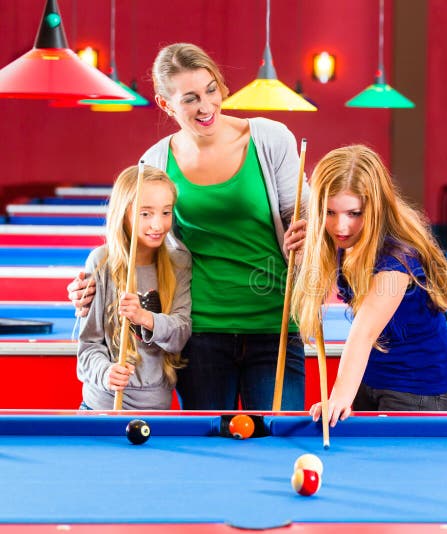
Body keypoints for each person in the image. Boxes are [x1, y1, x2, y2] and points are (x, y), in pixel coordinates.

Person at [68, 43, 308, 410]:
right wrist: (95, 282)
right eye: (191, 99)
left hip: (276, 324)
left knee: (279, 436)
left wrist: (310, 235)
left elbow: (307, 219)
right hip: (199, 331)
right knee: (209, 440)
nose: (206, 106)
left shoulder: (271, 139)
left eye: (211, 90)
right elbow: (135, 244)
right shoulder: (155, 161)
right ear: (166, 104)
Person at [292, 145, 447, 426]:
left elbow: (364, 333)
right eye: (330, 212)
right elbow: (312, 291)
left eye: (354, 213)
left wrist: (338, 397)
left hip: (416, 388)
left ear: (375, 207)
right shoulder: (345, 239)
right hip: (371, 376)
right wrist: (301, 257)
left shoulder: (397, 258)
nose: (340, 226)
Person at [77, 165, 192, 410]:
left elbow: (180, 336)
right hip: (103, 407)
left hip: (156, 409)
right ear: (124, 213)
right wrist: (105, 373)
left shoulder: (179, 263)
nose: (158, 225)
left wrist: (145, 318)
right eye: (145, 213)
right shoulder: (101, 262)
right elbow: (87, 349)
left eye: (166, 212)